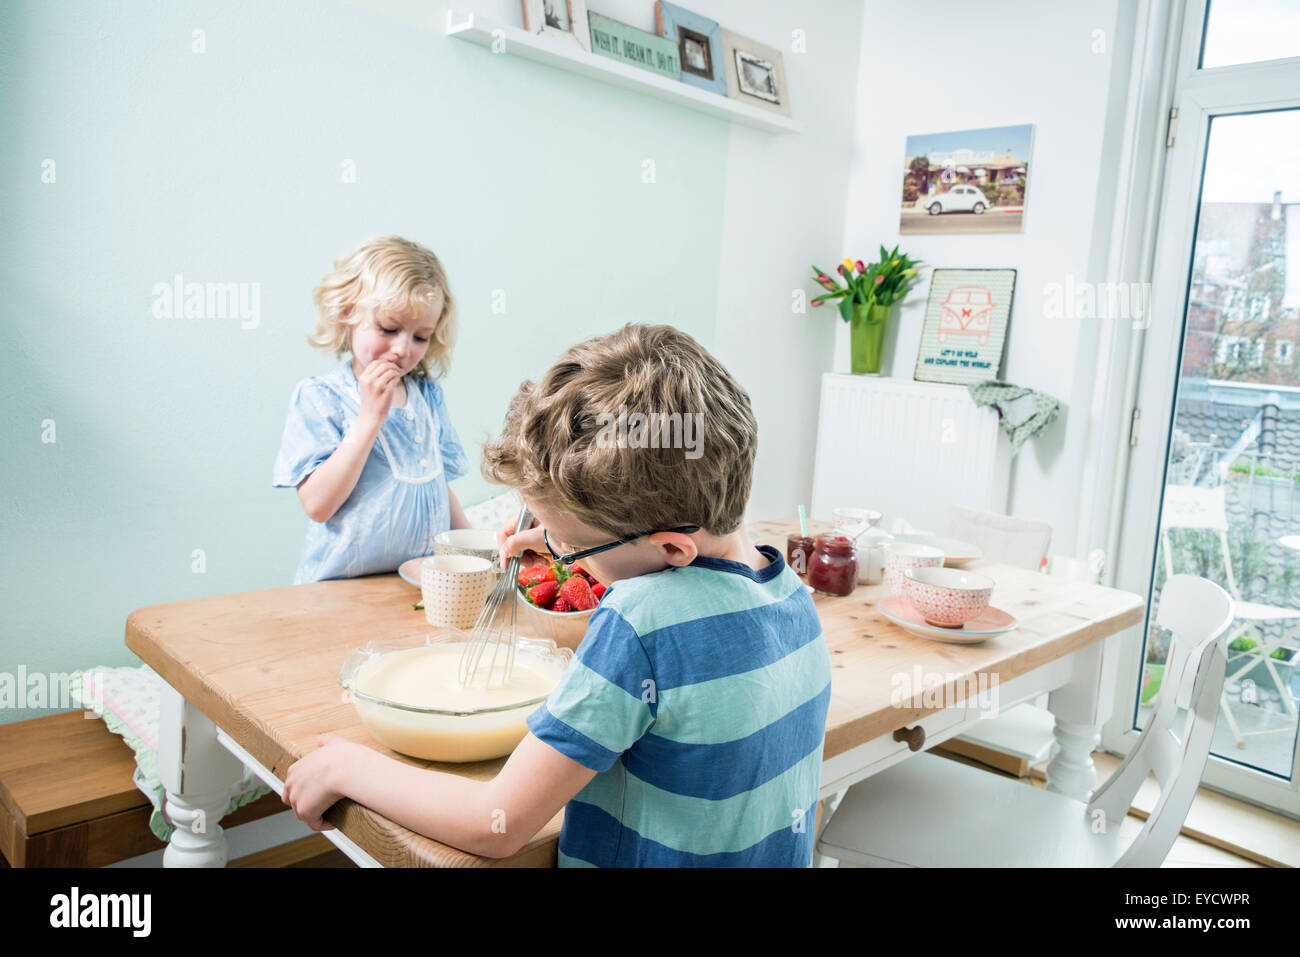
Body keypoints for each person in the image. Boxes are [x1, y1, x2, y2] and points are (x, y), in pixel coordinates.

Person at [282, 323, 831, 866]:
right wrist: (562, 535)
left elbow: (495, 823)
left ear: (670, 549)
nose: (561, 555)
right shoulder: (793, 596)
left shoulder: (641, 623)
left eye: (570, 550)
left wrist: (345, 768)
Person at [271, 236, 471, 583]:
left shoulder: (427, 396)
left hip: (414, 585)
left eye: (420, 337)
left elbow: (436, 485)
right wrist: (369, 418)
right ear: (348, 313)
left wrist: (476, 551)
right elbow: (318, 506)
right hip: (338, 589)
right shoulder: (320, 398)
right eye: (388, 328)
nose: (402, 349)